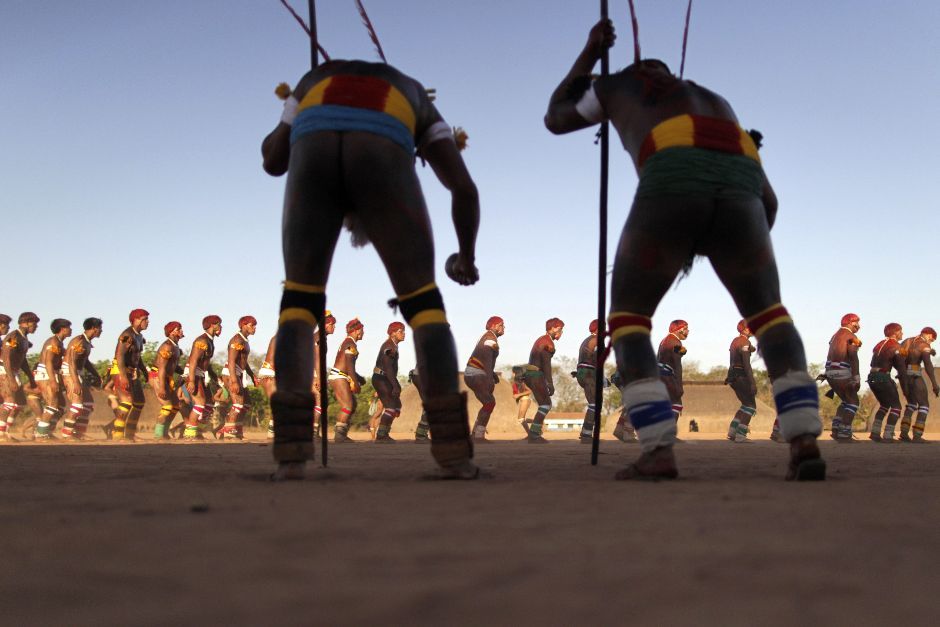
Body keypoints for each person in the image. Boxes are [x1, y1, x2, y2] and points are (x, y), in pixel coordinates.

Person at [544, 19, 825, 480]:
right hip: (743, 189)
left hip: (672, 178)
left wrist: (592, 50)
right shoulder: (717, 102)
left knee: (630, 321)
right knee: (771, 314)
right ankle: (804, 440)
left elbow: (557, 116)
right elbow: (769, 203)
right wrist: (735, 244)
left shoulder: (618, 85)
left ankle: (656, 448)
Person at [261, 57, 480, 479]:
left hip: (313, 153)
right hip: (384, 154)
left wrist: (304, 116)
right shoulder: (413, 93)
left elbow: (273, 159)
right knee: (424, 306)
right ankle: (454, 454)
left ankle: (290, 459)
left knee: (299, 304)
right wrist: (465, 256)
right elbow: (462, 186)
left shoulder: (312, 81)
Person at [520, 318, 564, 443]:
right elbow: (546, 364)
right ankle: (534, 434)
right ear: (554, 328)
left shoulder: (541, 339)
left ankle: (534, 433)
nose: (561, 332)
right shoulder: (547, 342)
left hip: (531, 373)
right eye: (560, 329)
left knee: (543, 404)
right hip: (536, 374)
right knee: (546, 404)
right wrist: (550, 383)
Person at [109, 309, 150, 440]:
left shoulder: (138, 336)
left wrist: (144, 370)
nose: (147, 322)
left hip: (132, 371)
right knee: (126, 402)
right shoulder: (127, 335)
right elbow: (119, 356)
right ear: (136, 320)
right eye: (144, 319)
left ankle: (130, 433)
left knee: (139, 402)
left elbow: (137, 356)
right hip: (121, 370)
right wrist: (122, 376)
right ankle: (117, 434)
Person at [866, 323, 910, 442]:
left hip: (872, 377)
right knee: (896, 407)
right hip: (882, 377)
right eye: (900, 331)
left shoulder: (880, 345)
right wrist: (906, 390)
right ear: (895, 332)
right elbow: (902, 371)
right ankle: (888, 435)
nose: (902, 333)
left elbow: (875, 363)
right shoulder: (896, 347)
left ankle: (875, 433)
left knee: (884, 405)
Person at [822, 314, 862, 441]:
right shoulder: (851, 336)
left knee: (845, 401)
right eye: (857, 322)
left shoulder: (835, 336)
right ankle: (844, 432)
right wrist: (856, 377)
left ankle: (836, 429)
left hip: (829, 372)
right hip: (842, 371)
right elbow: (853, 357)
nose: (859, 325)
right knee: (853, 402)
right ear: (850, 322)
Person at [61, 317, 103, 440]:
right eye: (100, 328)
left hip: (77, 373)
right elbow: (72, 362)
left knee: (88, 404)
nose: (101, 331)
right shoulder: (79, 341)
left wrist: (95, 373)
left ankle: (78, 433)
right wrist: (75, 382)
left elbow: (84, 361)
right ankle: (66, 433)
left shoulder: (86, 342)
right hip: (70, 372)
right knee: (77, 405)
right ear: (94, 328)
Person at [0, 312, 40, 439]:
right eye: (34, 324)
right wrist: (11, 379)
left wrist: (30, 376)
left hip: (13, 372)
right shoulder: (14, 337)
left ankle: (5, 431)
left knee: (20, 403)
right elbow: (6, 358)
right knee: (9, 402)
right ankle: (1, 434)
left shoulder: (23, 338)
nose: (36, 327)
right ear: (25, 323)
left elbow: (22, 360)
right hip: (5, 371)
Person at [464, 316, 504, 442]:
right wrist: (488, 377)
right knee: (489, 402)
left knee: (487, 403)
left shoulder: (488, 337)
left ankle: (476, 432)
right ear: (494, 326)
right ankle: (479, 435)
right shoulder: (490, 338)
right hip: (477, 374)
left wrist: (491, 373)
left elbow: (485, 358)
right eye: (501, 325)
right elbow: (486, 356)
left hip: (474, 373)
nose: (504, 328)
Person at [182, 315, 222, 440]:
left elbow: (205, 362)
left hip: (200, 374)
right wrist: (192, 381)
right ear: (211, 325)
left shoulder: (209, 340)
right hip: (193, 374)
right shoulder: (202, 341)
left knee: (209, 404)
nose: (220, 326)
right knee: (200, 403)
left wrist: (214, 376)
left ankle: (197, 431)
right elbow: (193, 361)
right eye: (218, 324)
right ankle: (189, 434)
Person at [33, 318, 72, 439]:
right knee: (53, 404)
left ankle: (47, 430)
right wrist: (53, 380)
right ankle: (40, 433)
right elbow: (48, 362)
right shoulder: (53, 342)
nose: (71, 330)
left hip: (50, 374)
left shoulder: (59, 342)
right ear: (63, 329)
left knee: (60, 405)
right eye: (69, 327)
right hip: (46, 374)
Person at [898, 327, 939, 442]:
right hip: (915, 374)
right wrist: (934, 384)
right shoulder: (924, 345)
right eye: (932, 339)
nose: (931, 342)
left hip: (902, 375)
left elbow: (902, 356)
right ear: (928, 335)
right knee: (924, 405)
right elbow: (928, 365)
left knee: (911, 404)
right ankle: (917, 435)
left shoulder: (907, 341)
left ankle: (904, 433)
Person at [329, 318, 366, 442]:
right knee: (348, 405)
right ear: (356, 331)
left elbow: (348, 364)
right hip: (339, 376)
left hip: (340, 375)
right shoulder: (350, 343)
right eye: (362, 330)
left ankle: (342, 433)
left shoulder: (348, 342)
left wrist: (359, 378)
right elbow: (349, 364)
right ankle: (339, 435)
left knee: (352, 405)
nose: (363, 333)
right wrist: (355, 382)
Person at [220, 316, 257, 440]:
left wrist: (252, 375)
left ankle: (237, 431)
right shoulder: (237, 339)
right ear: (244, 325)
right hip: (231, 374)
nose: (255, 328)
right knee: (238, 404)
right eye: (252, 325)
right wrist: (234, 380)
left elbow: (243, 362)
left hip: (238, 373)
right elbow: (231, 361)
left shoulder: (244, 340)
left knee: (246, 404)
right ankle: (229, 433)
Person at [372, 321, 406, 441]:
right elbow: (387, 367)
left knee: (396, 406)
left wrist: (395, 384)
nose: (403, 334)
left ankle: (384, 433)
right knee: (391, 407)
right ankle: (381, 435)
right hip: (381, 378)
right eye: (400, 331)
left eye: (403, 331)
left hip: (385, 378)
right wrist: (395, 385)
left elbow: (390, 369)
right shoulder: (389, 346)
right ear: (392, 333)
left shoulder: (392, 346)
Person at [725, 320, 758, 442]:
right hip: (741, 375)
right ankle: (741, 435)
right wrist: (752, 382)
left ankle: (732, 432)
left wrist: (751, 348)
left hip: (732, 375)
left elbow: (744, 350)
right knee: (751, 406)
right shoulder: (745, 342)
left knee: (745, 404)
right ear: (745, 329)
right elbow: (746, 365)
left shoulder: (735, 341)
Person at [152, 321, 185, 440]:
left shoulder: (175, 346)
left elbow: (172, 366)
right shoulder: (167, 346)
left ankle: (165, 432)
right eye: (179, 329)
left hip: (166, 377)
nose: (181, 331)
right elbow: (161, 368)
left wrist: (184, 371)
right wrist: (161, 386)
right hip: (158, 376)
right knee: (167, 405)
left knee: (175, 405)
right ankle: (158, 434)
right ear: (171, 332)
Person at [658, 320, 689, 424]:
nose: (688, 331)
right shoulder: (675, 342)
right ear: (678, 330)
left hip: (659, 375)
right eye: (685, 329)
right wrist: (679, 385)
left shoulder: (664, 340)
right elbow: (677, 364)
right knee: (677, 403)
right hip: (667, 376)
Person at [575, 320, 600, 443]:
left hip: (582, 372)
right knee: (594, 404)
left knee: (593, 404)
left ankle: (585, 433)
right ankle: (586, 436)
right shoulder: (596, 340)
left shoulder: (587, 340)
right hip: (588, 372)